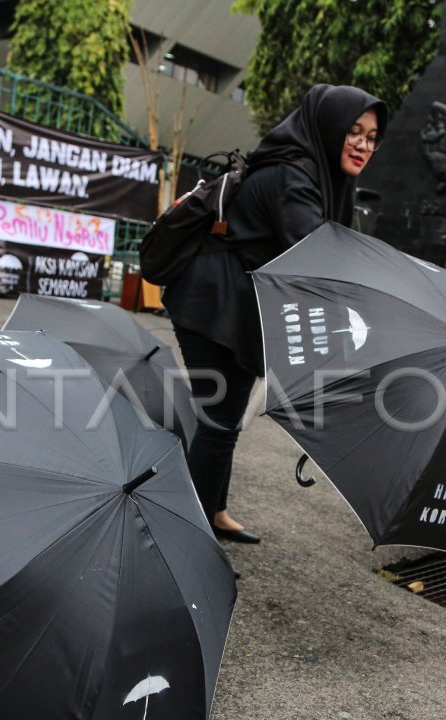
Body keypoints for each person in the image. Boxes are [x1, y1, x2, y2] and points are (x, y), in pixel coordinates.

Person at [162, 84, 388, 545]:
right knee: (219, 420)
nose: (363, 145)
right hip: (211, 305)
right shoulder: (292, 178)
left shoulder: (322, 177)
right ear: (330, 127)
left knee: (224, 419)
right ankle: (189, 538)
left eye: (371, 137)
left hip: (239, 311)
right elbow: (316, 257)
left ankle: (213, 512)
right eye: (354, 132)